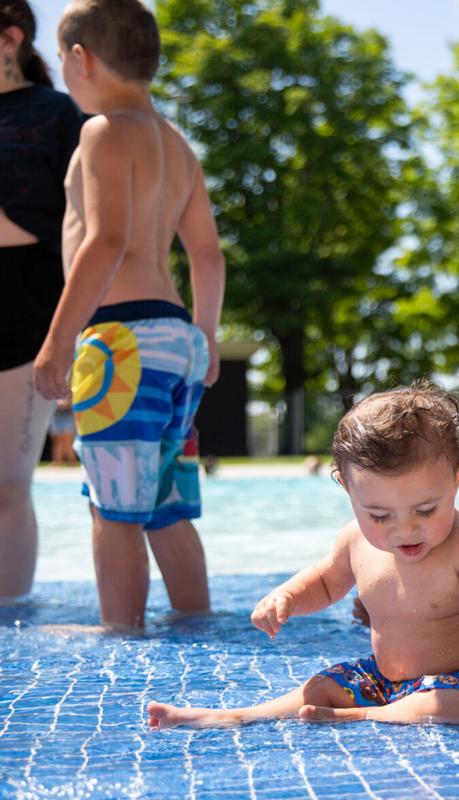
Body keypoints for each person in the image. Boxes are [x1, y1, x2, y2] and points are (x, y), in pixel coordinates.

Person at [146, 382, 459, 729]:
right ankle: (242, 715)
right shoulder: (356, 541)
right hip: (383, 679)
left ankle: (359, 716)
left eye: (426, 510)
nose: (405, 529)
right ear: (348, 490)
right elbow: (326, 581)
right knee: (320, 686)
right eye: (379, 515)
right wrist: (288, 597)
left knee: (450, 706)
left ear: (456, 480)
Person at [31, 0, 225, 629]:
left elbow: (106, 241)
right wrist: (209, 336)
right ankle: (196, 620)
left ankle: (120, 634)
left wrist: (59, 344)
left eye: (61, 58)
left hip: (122, 342)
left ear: (81, 60)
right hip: (178, 341)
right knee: (167, 504)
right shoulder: (181, 146)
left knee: (113, 509)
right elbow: (206, 253)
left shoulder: (103, 131)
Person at [0, 0, 83, 601]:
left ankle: (9, 625)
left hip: (24, 323)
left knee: (6, 490)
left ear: (9, 38)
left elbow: (79, 230)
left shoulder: (58, 115)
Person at [49, 398, 78, 465]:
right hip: (57, 418)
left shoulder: (69, 392)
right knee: (57, 443)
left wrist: (63, 404)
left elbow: (71, 404)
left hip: (67, 418)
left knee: (68, 442)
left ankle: (72, 461)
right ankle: (57, 461)